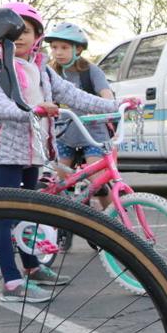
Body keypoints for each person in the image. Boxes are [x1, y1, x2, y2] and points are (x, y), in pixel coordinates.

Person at [0, 2, 132, 303]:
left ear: (36, 36)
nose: (19, 37)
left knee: (27, 213)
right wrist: (33, 110)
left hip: (33, 151)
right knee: (4, 216)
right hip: (4, 151)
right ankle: (11, 281)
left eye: (25, 31)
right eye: (11, 31)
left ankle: (32, 267)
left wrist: (117, 105)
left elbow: (75, 96)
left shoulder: (41, 70)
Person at [44, 22, 114, 208]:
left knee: (97, 180)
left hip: (92, 135)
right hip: (64, 135)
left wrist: (107, 107)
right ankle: (61, 223)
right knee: (58, 180)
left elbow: (106, 95)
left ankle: (114, 222)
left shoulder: (90, 71)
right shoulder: (50, 73)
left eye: (64, 47)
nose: (58, 52)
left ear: (79, 49)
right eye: (54, 47)